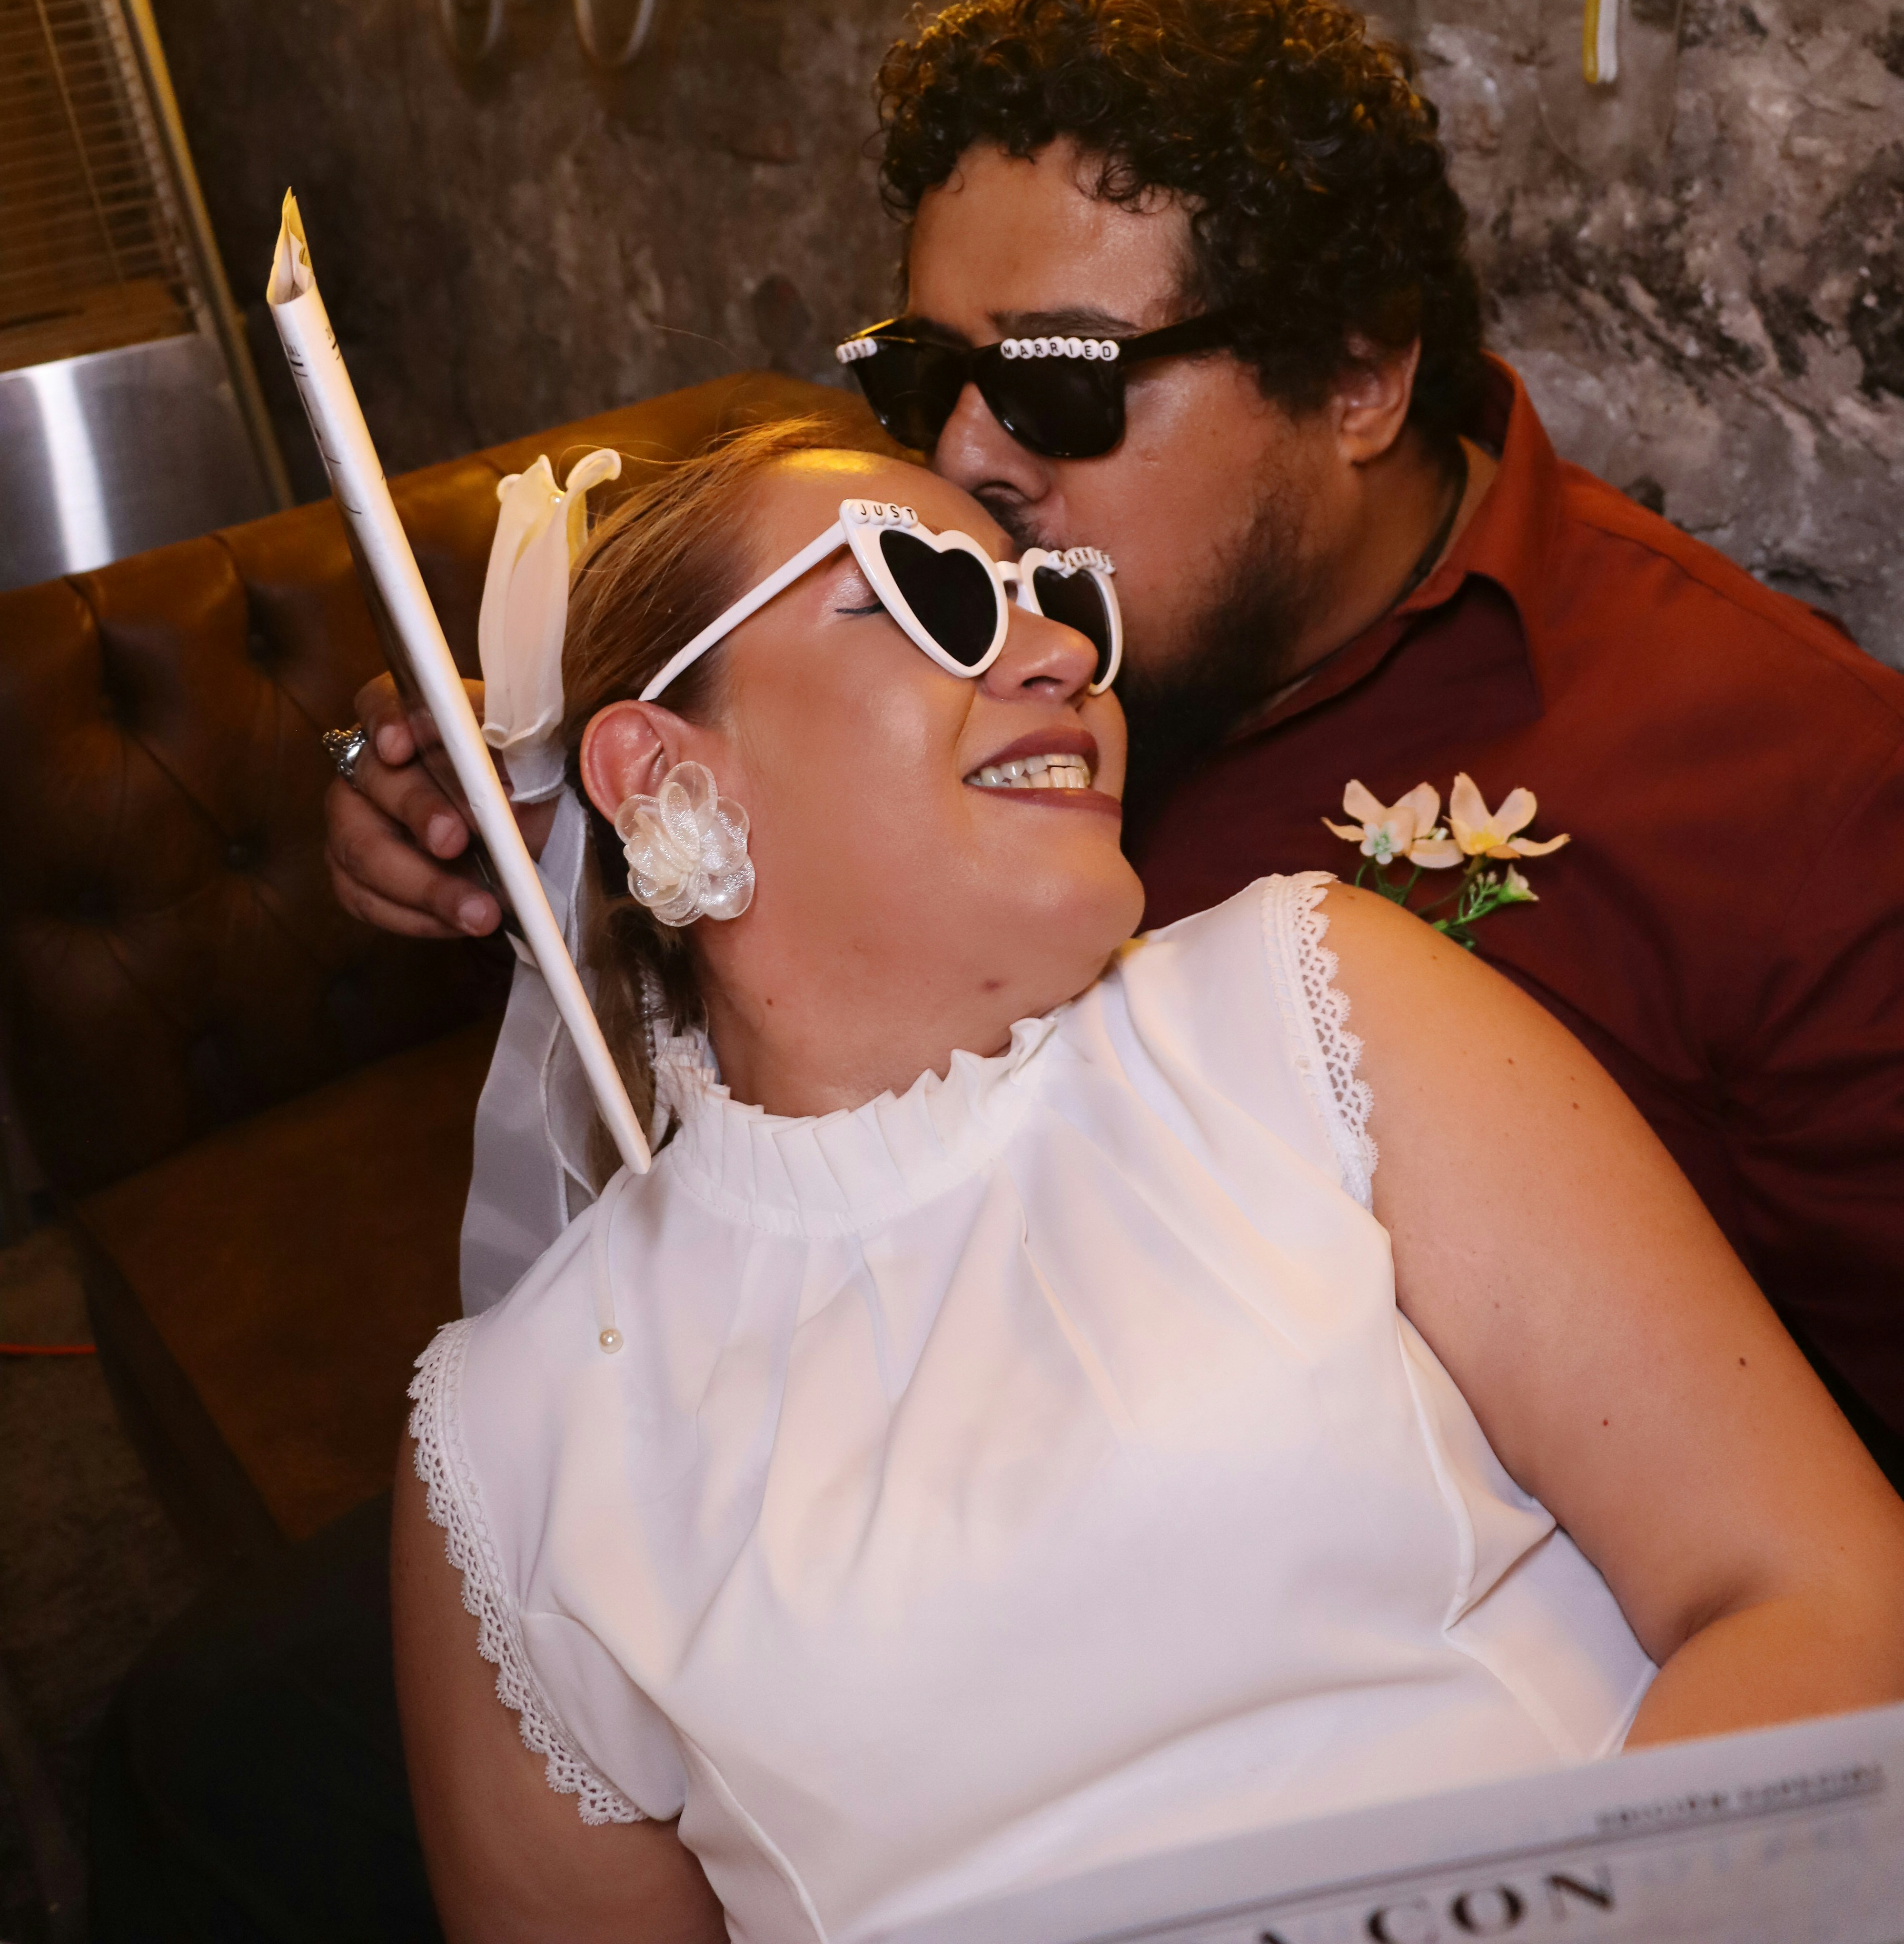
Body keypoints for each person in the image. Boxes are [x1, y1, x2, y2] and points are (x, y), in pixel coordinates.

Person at [392, 417, 1904, 1944]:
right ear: (661, 772)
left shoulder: (1314, 1011)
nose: (1064, 655)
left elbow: (1816, 1593)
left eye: (1063, 602)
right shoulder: (506, 1443)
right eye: (936, 597)